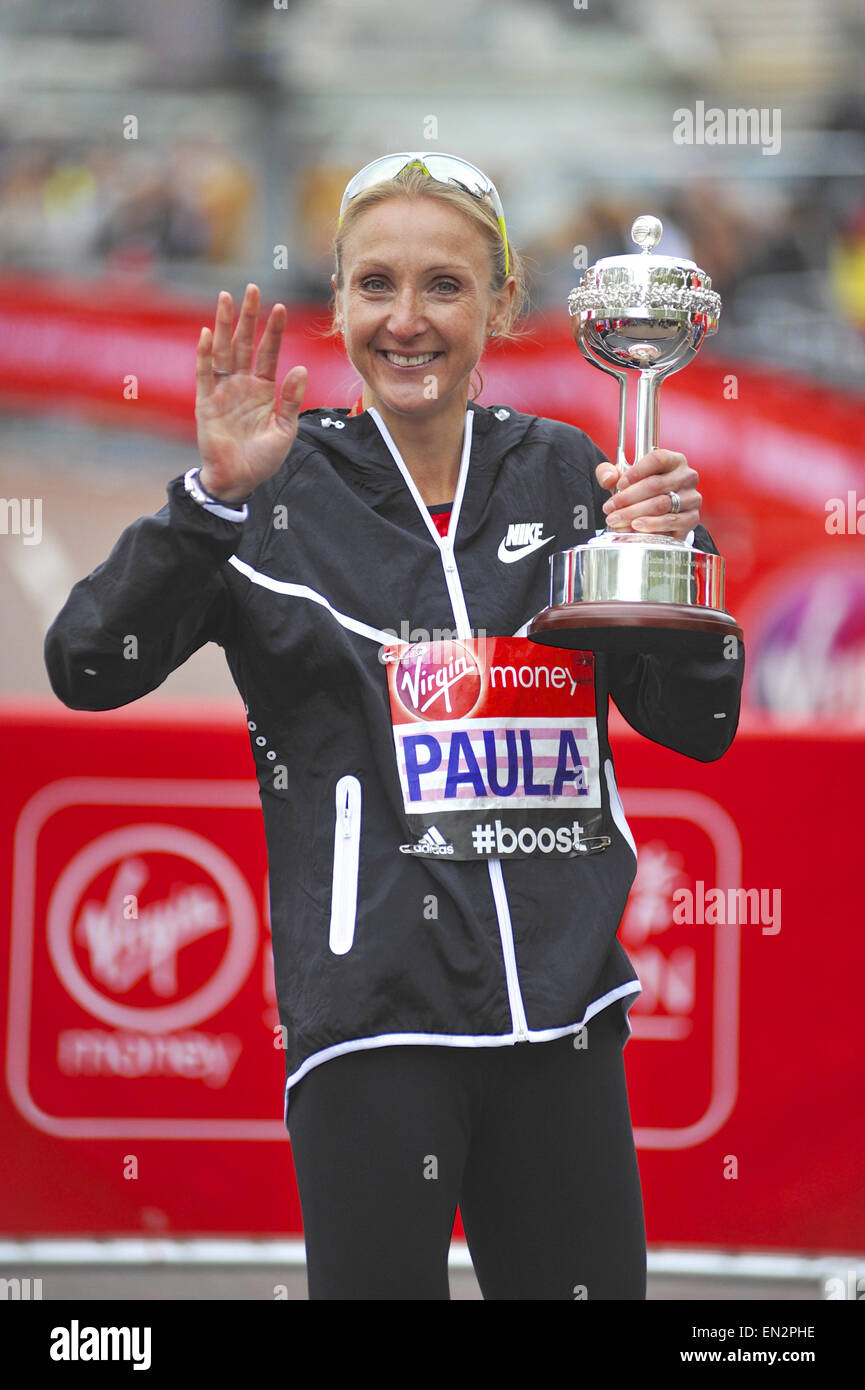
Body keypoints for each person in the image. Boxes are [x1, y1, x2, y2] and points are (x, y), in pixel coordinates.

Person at [45, 152, 744, 1301]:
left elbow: (695, 723)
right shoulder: (272, 489)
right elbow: (86, 664)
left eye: (444, 287)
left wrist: (681, 561)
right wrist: (208, 503)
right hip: (375, 1027)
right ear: (339, 305)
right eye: (376, 285)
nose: (405, 320)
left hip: (561, 1026)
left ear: (501, 306)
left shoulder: (569, 473)